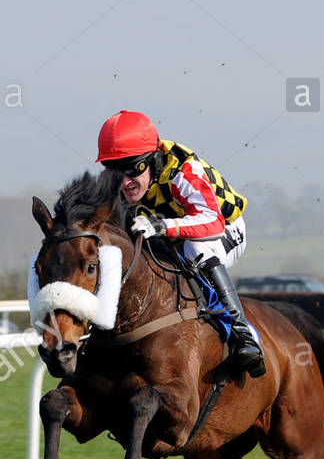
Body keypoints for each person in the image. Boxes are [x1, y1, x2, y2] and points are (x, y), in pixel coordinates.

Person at [95, 110, 265, 378]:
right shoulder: (120, 182)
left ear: (152, 159)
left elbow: (213, 223)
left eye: (133, 170)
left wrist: (162, 227)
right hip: (175, 232)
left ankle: (243, 333)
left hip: (224, 228)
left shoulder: (184, 172)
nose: (125, 183)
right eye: (116, 173)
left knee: (194, 250)